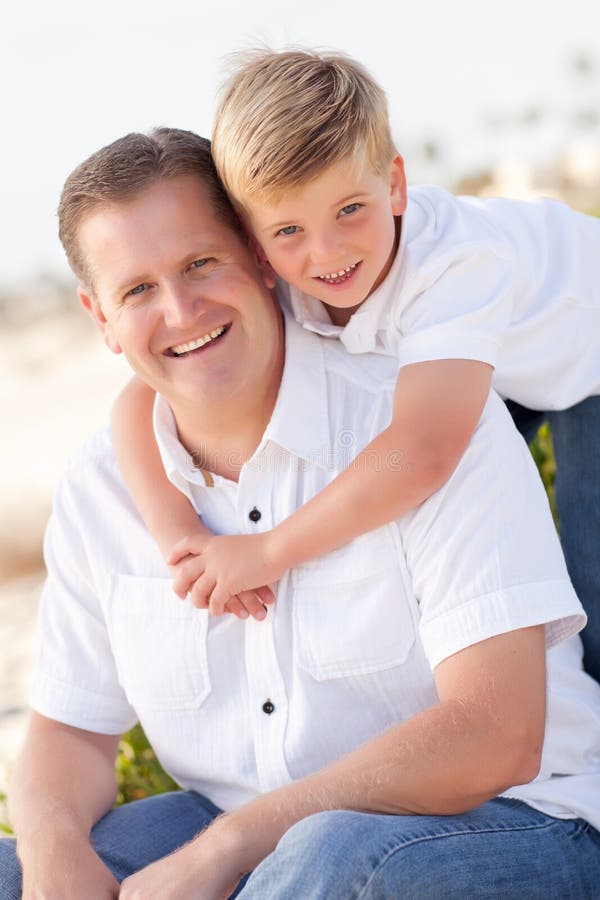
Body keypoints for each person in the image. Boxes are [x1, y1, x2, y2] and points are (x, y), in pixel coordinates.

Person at [2, 127, 600, 899]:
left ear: (259, 257)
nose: (180, 309)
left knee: (330, 857)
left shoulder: (419, 423)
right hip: (248, 828)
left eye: (200, 264)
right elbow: (69, 730)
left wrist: (233, 847)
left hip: (517, 820)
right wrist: (53, 857)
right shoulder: (104, 487)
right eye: (138, 291)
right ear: (101, 318)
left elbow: (497, 737)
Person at [111, 49, 600, 684]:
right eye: (288, 230)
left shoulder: (455, 267)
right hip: (503, 359)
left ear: (394, 184)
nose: (327, 253)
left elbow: (422, 451)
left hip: (586, 353)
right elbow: (137, 400)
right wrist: (182, 539)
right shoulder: (290, 275)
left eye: (350, 210)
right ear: (254, 241)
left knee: (591, 579)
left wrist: (268, 551)